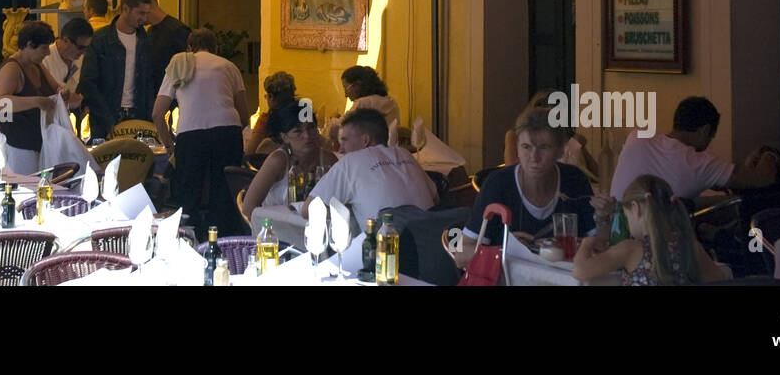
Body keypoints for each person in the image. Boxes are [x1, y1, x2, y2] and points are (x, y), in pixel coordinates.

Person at [454, 108, 596, 269]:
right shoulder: (499, 184)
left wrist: (605, 218)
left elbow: (600, 245)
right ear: (517, 149)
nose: (534, 158)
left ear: (560, 150)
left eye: (544, 147)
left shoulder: (574, 180)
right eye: (526, 147)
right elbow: (460, 255)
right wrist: (505, 251)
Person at [152, 28, 250, 236]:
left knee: (188, 194)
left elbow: (157, 114)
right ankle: (225, 241)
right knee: (224, 193)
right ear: (216, 48)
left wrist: (171, 148)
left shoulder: (178, 65)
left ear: (189, 47)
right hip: (227, 130)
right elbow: (244, 114)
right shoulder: (229, 66)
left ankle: (190, 238)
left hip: (191, 133)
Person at [609, 97, 779, 204]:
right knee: (733, 204)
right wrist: (768, 153)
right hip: (656, 238)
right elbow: (762, 179)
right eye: (710, 138)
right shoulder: (700, 163)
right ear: (705, 131)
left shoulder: (636, 137)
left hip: (616, 229)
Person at [572, 174, 728, 285]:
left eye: (626, 217)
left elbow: (579, 271)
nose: (628, 224)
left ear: (636, 208)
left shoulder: (631, 248)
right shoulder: (691, 246)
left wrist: (588, 241)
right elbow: (719, 279)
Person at [306, 108, 437, 235]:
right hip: (432, 244)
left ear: (365, 140)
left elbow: (309, 209)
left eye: (344, 141)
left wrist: (347, 207)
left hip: (389, 251)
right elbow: (435, 197)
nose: (340, 150)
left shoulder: (351, 161)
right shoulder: (405, 154)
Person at [78, 0, 156, 139]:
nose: (144, 18)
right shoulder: (100, 40)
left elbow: (149, 80)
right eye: (140, 13)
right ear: (125, 9)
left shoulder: (145, 40)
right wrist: (105, 118)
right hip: (106, 115)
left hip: (138, 115)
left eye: (146, 13)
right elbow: (88, 82)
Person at [242, 99, 337, 220]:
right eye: (298, 131)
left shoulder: (329, 161)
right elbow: (249, 207)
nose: (307, 135)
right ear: (285, 137)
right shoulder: (278, 161)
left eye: (311, 128)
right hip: (277, 229)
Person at [0, 21, 59, 174]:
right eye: (44, 48)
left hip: (34, 139)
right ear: (29, 45)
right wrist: (36, 101)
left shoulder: (37, 66)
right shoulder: (11, 68)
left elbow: (56, 88)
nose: (48, 53)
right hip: (14, 140)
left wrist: (64, 94)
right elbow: (0, 102)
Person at [144, 0, 191, 97]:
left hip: (173, 97)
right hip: (157, 95)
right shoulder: (150, 32)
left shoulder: (178, 31)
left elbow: (187, 68)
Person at [43, 18, 94, 106]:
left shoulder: (82, 59)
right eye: (81, 48)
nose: (84, 52)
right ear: (66, 40)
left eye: (87, 48)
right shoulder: (45, 59)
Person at [244, 71, 297, 154]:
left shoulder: (266, 120)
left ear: (271, 97)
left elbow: (250, 152)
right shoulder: (302, 117)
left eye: (266, 96)